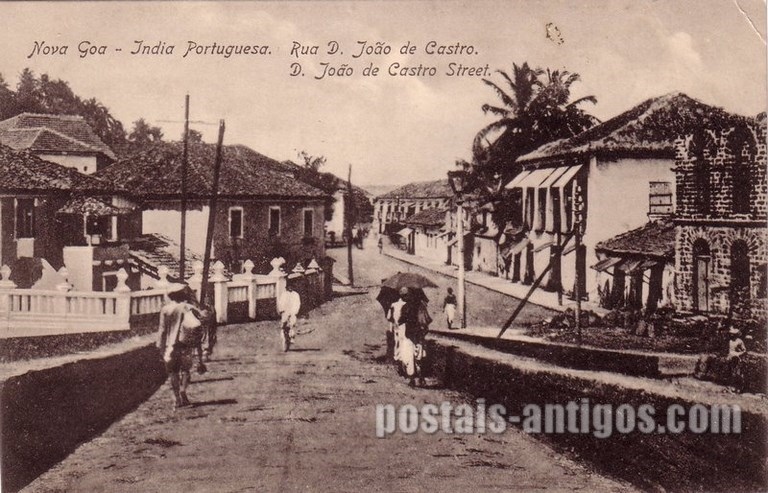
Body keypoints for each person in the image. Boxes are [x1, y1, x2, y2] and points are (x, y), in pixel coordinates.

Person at [157, 284, 206, 409]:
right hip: (184, 343)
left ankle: (177, 399)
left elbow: (162, 330)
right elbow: (202, 318)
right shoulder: (187, 307)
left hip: (169, 345)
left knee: (173, 372)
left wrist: (160, 347)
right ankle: (183, 391)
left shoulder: (165, 310)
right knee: (185, 370)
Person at [398, 288, 431, 387]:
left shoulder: (405, 307)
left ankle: (412, 379)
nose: (403, 298)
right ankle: (421, 378)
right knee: (420, 356)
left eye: (404, 296)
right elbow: (426, 321)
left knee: (409, 357)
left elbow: (401, 320)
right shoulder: (421, 306)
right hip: (419, 335)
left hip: (409, 335)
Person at [277, 282, 302, 349]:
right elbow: (281, 302)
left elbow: (297, 303)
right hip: (285, 311)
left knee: (292, 324)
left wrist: (295, 311)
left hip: (293, 311)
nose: (290, 288)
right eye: (289, 287)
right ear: (287, 288)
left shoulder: (296, 294)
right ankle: (283, 337)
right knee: (283, 324)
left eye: (291, 287)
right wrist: (281, 309)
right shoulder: (284, 294)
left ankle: (291, 337)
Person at [387, 288, 407, 368]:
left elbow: (389, 317)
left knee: (397, 341)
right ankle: (402, 359)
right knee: (403, 342)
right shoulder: (406, 305)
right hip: (404, 326)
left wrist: (391, 325)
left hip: (396, 326)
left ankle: (396, 358)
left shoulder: (393, 305)